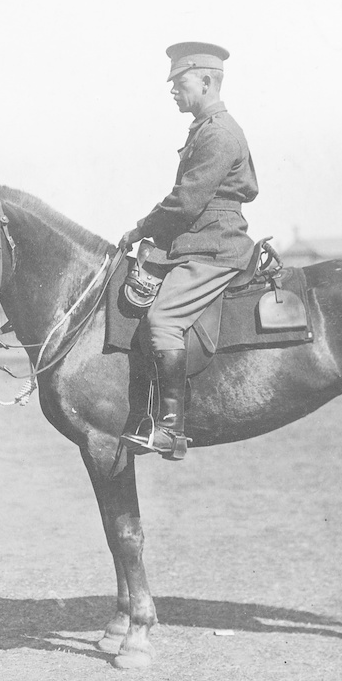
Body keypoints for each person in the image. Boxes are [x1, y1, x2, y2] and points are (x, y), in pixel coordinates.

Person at [118, 42, 258, 457]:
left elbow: (187, 202)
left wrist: (141, 229)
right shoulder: (206, 128)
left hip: (214, 245)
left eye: (180, 83)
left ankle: (169, 429)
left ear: (207, 81)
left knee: (161, 320)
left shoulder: (219, 132)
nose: (173, 91)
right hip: (200, 240)